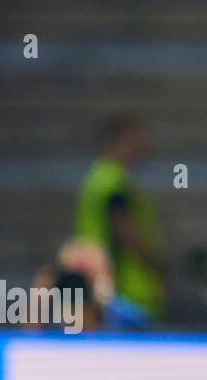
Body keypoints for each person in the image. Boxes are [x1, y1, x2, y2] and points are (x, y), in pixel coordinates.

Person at [75, 115, 166, 321]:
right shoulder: (113, 181)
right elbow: (125, 231)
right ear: (119, 140)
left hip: (106, 288)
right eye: (135, 139)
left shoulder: (98, 177)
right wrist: (157, 264)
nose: (143, 146)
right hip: (124, 291)